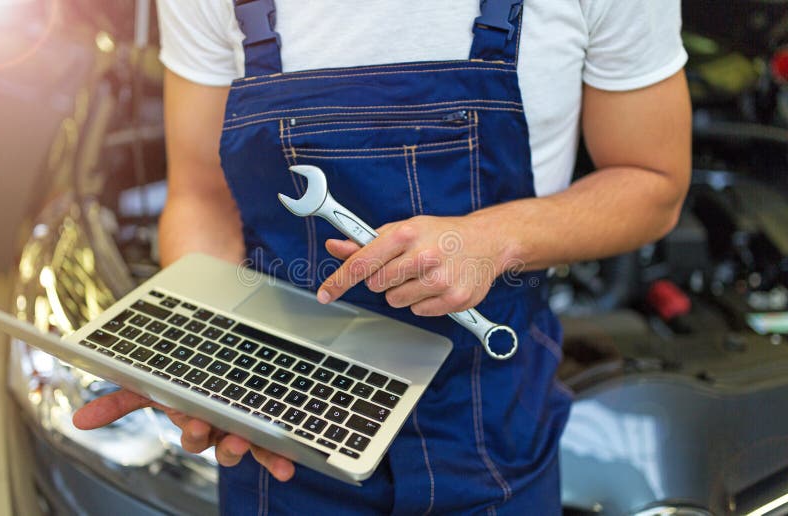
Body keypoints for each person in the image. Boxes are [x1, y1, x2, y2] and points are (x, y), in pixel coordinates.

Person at [74, 0, 691, 513]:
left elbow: (653, 182)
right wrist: (201, 352)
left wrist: (501, 236)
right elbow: (202, 199)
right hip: (282, 432)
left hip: (492, 425)